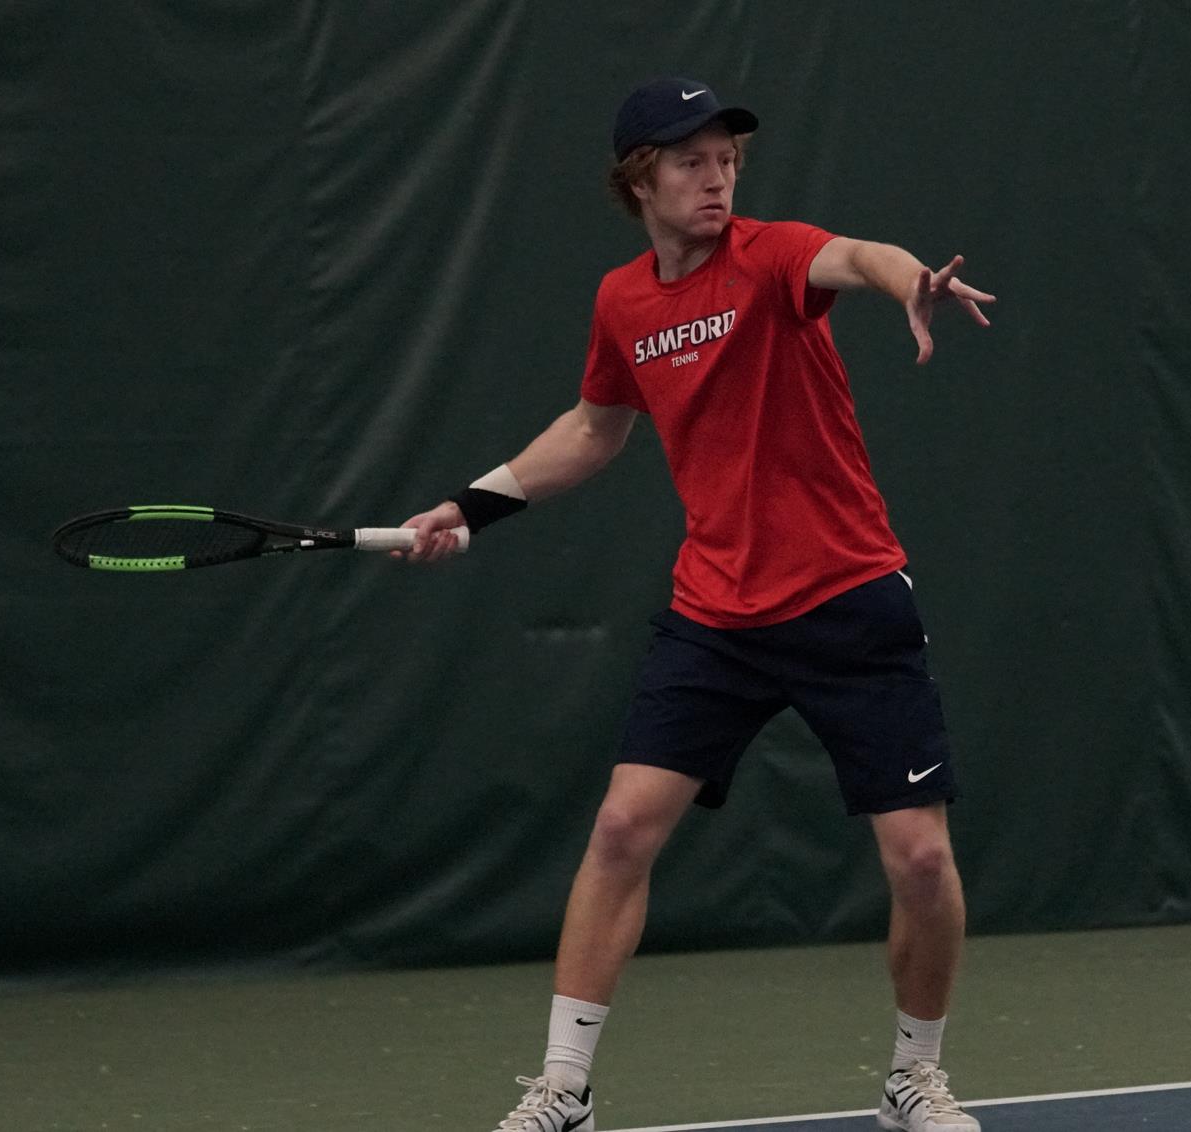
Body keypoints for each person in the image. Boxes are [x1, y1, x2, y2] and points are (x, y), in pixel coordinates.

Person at [395, 76, 994, 1132]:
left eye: (725, 159)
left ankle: (913, 1078)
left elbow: (854, 257)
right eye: (689, 161)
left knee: (921, 856)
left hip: (849, 597)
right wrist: (468, 507)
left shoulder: (769, 258)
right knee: (622, 827)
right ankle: (564, 1091)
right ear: (640, 180)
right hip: (715, 612)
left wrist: (909, 281)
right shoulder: (622, 301)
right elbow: (592, 429)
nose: (714, 177)